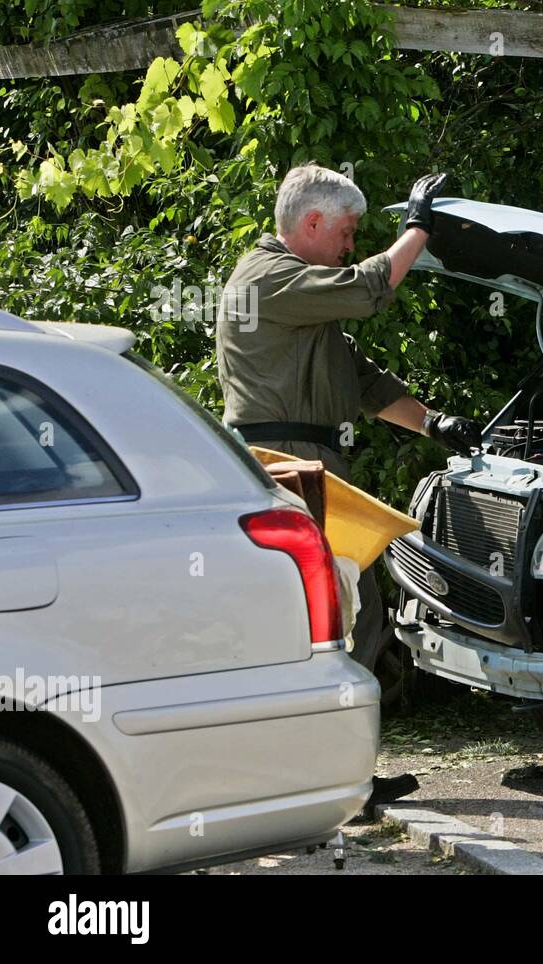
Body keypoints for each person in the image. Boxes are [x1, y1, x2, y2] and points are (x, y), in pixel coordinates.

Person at [215, 164, 481, 807]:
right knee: (334, 618)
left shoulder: (297, 297)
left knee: (347, 615)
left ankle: (334, 777)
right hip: (287, 465)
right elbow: (369, 288)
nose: (351, 245)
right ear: (311, 223)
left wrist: (433, 425)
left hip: (306, 463)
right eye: (347, 231)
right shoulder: (267, 278)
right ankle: (325, 781)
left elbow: (361, 381)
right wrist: (417, 225)